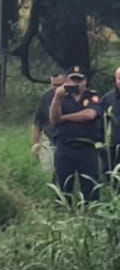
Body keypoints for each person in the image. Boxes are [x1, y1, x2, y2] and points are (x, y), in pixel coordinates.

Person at [49, 66, 105, 203]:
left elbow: (90, 114)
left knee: (90, 186)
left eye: (79, 80)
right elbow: (53, 119)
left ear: (85, 81)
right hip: (65, 147)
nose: (76, 83)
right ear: (68, 80)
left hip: (86, 148)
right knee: (63, 186)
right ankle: (63, 214)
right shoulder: (60, 97)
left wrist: (65, 118)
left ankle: (90, 216)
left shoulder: (92, 95)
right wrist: (57, 98)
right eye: (73, 79)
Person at [33, 74, 67, 173]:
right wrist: (35, 144)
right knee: (48, 171)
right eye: (54, 85)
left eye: (60, 85)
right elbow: (37, 122)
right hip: (49, 140)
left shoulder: (73, 96)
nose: (56, 88)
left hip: (67, 141)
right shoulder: (46, 97)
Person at [101, 66, 120, 174]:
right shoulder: (107, 99)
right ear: (115, 80)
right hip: (113, 149)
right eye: (119, 78)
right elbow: (100, 124)